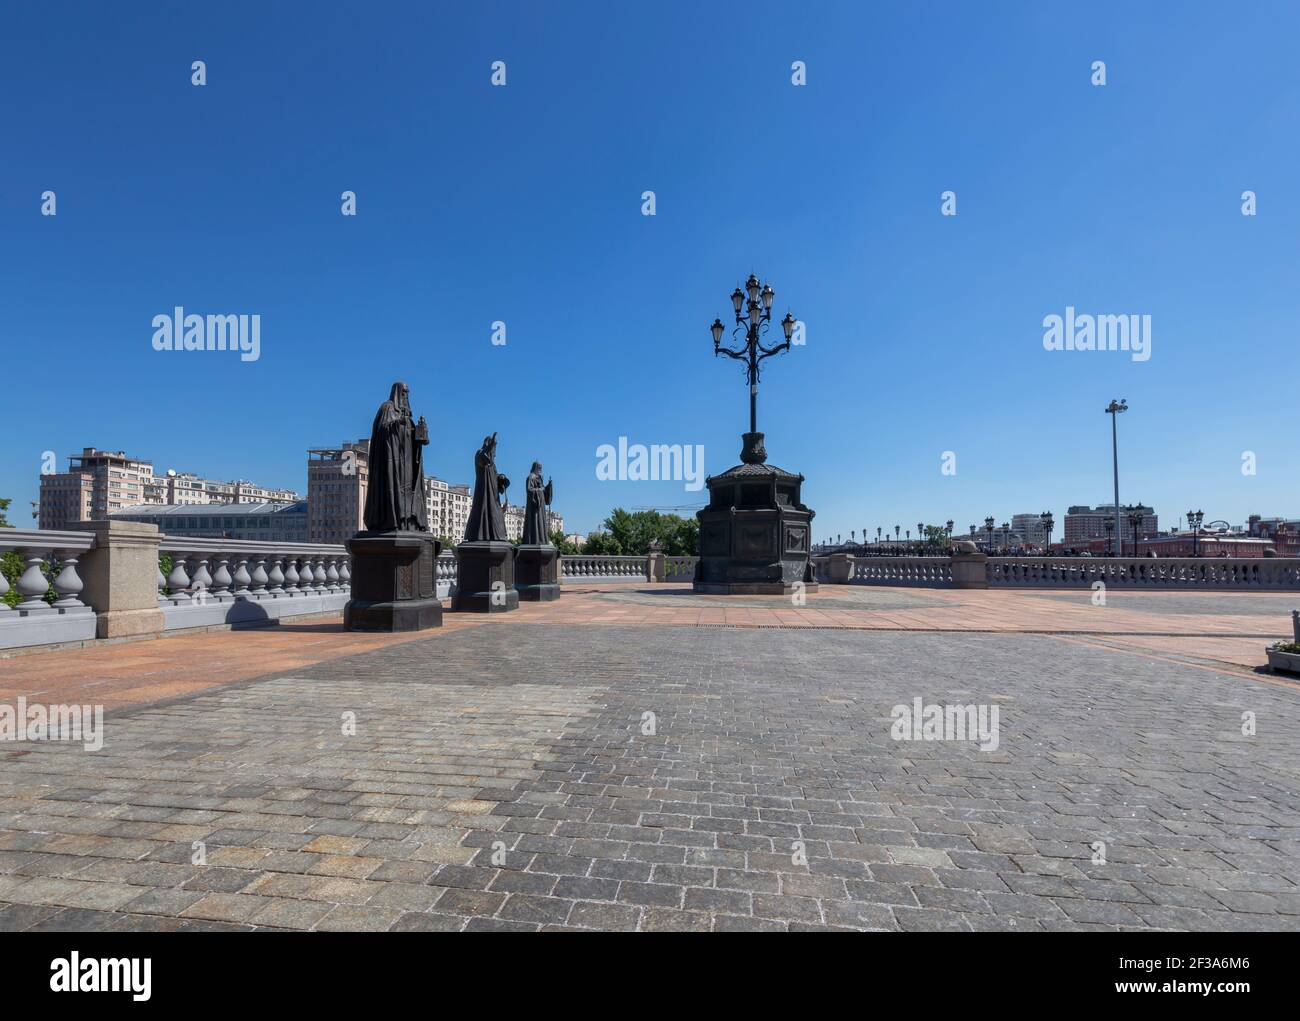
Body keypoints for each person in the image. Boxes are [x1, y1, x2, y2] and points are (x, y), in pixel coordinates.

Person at [362, 381, 428, 532]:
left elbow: (411, 439)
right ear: (397, 392)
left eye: (408, 393)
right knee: (394, 489)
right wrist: (399, 423)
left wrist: (420, 434)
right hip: (392, 461)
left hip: (407, 462)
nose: (406, 396)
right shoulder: (387, 407)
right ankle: (393, 520)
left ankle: (407, 521)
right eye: (404, 392)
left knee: (408, 490)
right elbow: (383, 429)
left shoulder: (407, 415)